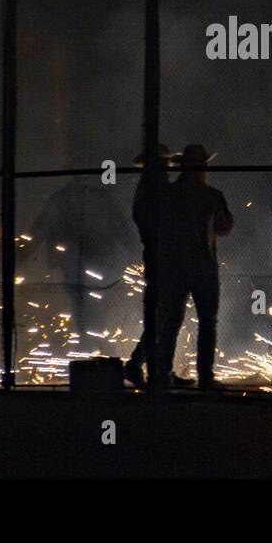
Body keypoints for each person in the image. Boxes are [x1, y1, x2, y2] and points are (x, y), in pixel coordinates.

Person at [156, 144, 232, 389]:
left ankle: (162, 374)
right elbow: (224, 227)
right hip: (203, 267)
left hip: (174, 267)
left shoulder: (168, 194)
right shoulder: (211, 195)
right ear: (202, 166)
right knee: (207, 322)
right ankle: (205, 377)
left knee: (171, 322)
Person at [125, 143, 179, 387]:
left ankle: (156, 368)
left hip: (159, 256)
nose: (168, 166)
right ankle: (139, 365)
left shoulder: (153, 184)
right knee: (161, 316)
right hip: (160, 258)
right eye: (165, 162)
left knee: (161, 316)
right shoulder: (154, 186)